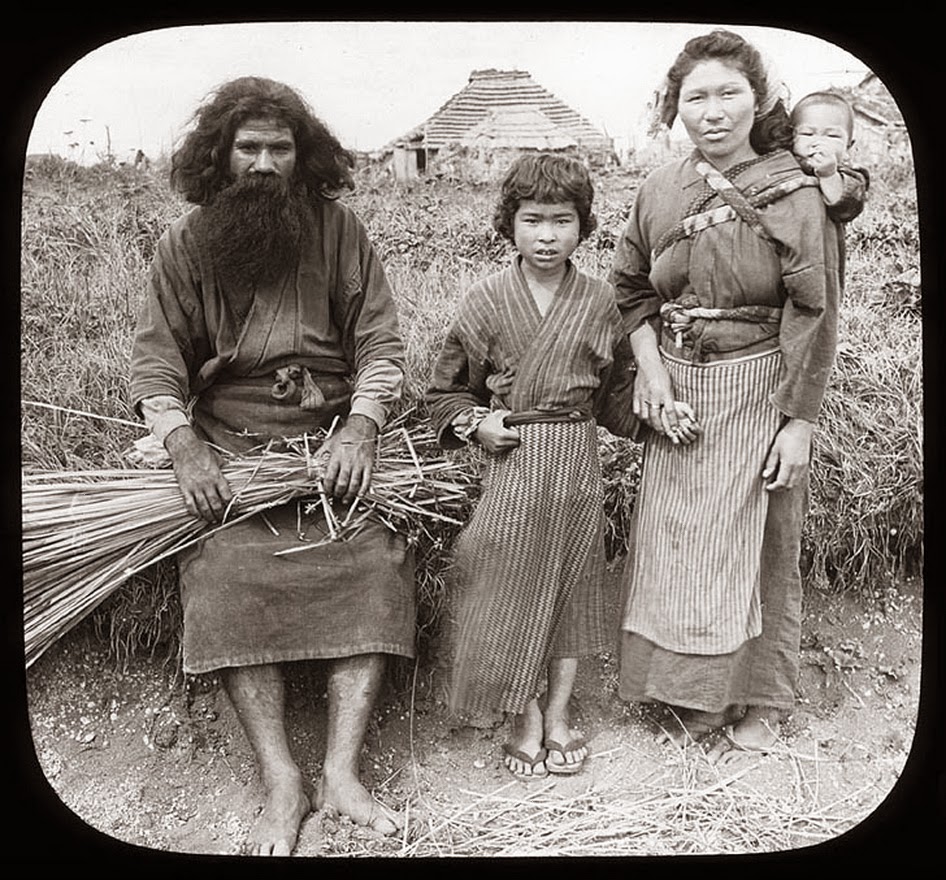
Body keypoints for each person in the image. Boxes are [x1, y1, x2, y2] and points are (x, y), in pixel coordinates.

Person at [129, 76, 414, 854]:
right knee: (224, 567)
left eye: (278, 148)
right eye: (247, 147)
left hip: (328, 444)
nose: (263, 162)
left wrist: (359, 429)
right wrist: (183, 445)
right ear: (219, 158)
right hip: (230, 445)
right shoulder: (185, 247)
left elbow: (382, 348)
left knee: (374, 560)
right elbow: (157, 369)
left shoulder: (340, 233)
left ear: (302, 155)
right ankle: (282, 778)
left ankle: (344, 774)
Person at [426, 153, 699, 781]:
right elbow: (444, 392)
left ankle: (558, 714)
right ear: (509, 225)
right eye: (532, 221)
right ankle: (521, 715)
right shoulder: (485, 301)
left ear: (583, 227)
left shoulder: (602, 302)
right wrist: (475, 423)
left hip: (578, 462)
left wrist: (658, 419)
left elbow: (613, 399)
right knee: (507, 589)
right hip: (514, 461)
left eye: (562, 221)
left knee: (575, 592)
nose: (546, 236)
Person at [609, 30, 841, 763]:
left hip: (762, 383)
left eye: (728, 93)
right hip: (676, 388)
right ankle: (683, 693)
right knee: (679, 542)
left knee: (758, 542)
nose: (712, 112)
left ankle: (756, 703)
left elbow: (816, 309)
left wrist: (798, 422)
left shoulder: (794, 190)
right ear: (674, 108)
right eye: (694, 97)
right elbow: (630, 288)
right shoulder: (659, 189)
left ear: (761, 99)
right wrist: (650, 370)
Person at [790, 90, 870, 285]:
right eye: (807, 133)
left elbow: (846, 206)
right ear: (791, 137)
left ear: (848, 146)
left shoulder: (849, 176)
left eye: (832, 136)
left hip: (822, 257)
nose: (818, 142)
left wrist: (828, 174)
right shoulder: (783, 168)